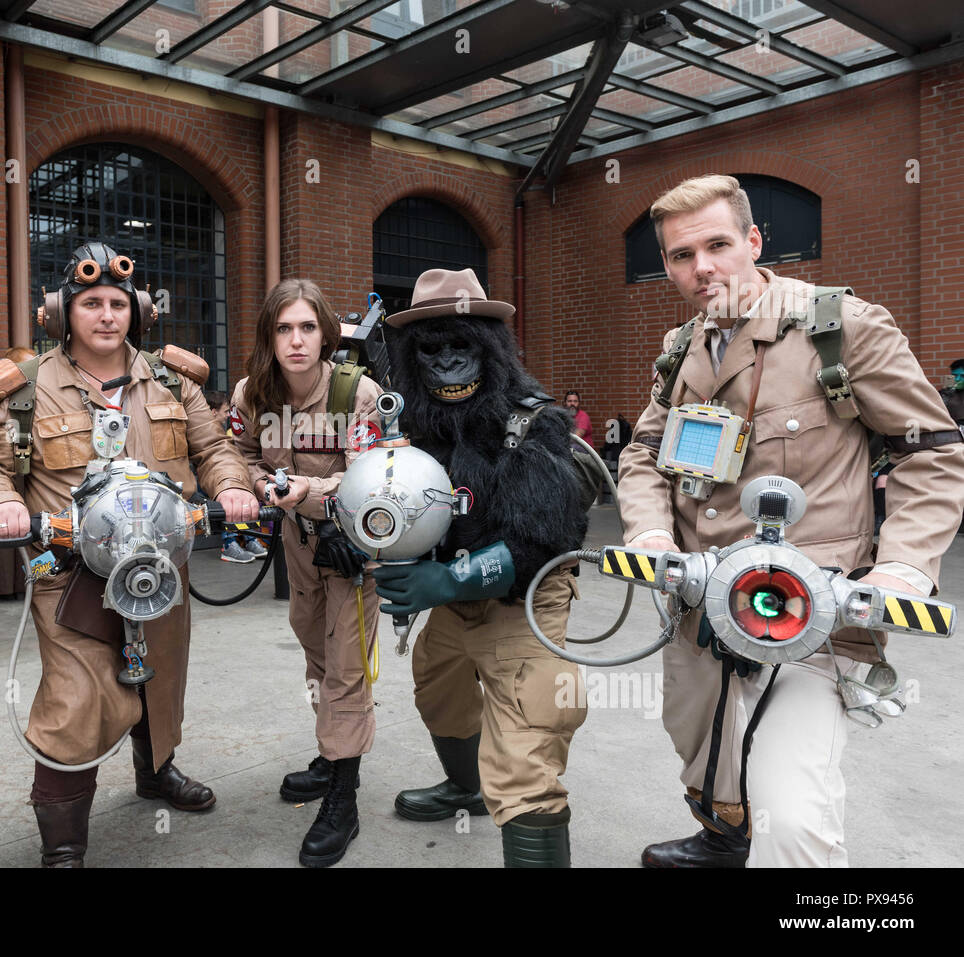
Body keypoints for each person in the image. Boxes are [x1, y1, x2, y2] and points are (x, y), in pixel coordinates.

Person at [618, 174, 964, 867]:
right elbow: (644, 453)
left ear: (753, 242)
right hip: (698, 606)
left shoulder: (841, 327)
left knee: (796, 818)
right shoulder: (683, 347)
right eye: (681, 255)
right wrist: (650, 532)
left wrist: (901, 566)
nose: (701, 267)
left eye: (717, 245)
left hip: (810, 617)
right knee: (705, 755)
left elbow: (932, 450)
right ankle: (723, 837)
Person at [0, 241, 258, 867]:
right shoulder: (23, 389)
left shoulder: (176, 381)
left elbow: (213, 451)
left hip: (160, 566)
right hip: (70, 578)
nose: (106, 315)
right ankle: (64, 847)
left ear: (139, 311)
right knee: (77, 704)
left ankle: (155, 774)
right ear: (61, 311)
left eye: (118, 304)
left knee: (160, 680)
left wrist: (233, 487)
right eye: (91, 303)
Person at [370, 268, 592, 867]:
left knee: (527, 743)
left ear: (489, 352)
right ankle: (465, 788)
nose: (446, 367)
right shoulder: (409, 426)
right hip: (451, 600)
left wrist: (446, 579)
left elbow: (542, 542)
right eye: (432, 352)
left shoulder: (532, 421)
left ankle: (513, 809)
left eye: (460, 349)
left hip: (525, 599)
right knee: (438, 687)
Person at [228, 278, 384, 867]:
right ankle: (331, 754)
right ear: (270, 335)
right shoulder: (253, 394)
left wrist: (306, 490)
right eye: (284, 328)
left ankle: (344, 799)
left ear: (326, 332)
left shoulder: (355, 393)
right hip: (298, 548)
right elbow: (236, 454)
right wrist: (254, 485)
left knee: (347, 666)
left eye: (308, 327)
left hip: (352, 547)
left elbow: (371, 479)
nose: (296, 341)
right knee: (317, 654)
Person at [205, 389, 268, 564]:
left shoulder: (225, 431)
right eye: (225, 411)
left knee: (244, 502)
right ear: (213, 412)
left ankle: (249, 539)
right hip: (211, 485)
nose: (228, 415)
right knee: (227, 502)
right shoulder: (207, 434)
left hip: (229, 478)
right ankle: (229, 544)